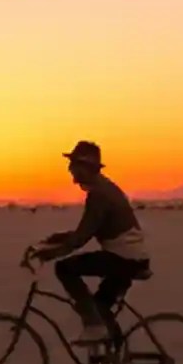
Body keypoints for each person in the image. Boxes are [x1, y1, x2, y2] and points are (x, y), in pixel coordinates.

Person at [30, 141, 151, 344]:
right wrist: (58, 239)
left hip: (124, 258)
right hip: (131, 257)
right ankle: (115, 358)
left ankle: (93, 325)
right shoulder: (103, 188)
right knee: (100, 306)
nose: (70, 169)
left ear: (85, 167)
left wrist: (51, 254)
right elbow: (86, 230)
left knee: (65, 268)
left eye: (74, 165)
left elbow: (82, 237)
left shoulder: (99, 195)